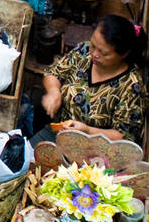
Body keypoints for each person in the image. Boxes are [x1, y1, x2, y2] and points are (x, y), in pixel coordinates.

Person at [41, 14, 147, 148]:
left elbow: (124, 136)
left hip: (95, 151)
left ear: (124, 54)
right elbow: (53, 73)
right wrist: (53, 91)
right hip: (58, 132)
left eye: (104, 53)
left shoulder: (132, 88)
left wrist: (87, 131)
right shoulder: (83, 51)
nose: (94, 54)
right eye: (93, 45)